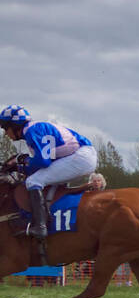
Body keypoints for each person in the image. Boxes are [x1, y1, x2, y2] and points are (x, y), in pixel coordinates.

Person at [0, 105, 98, 266]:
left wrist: (19, 165)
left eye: (5, 128)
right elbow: (43, 161)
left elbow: (43, 162)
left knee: (34, 181)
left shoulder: (31, 131)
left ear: (15, 125)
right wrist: (21, 161)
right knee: (38, 180)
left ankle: (40, 226)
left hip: (81, 157)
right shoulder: (33, 130)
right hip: (79, 156)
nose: (5, 133)